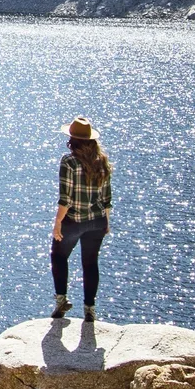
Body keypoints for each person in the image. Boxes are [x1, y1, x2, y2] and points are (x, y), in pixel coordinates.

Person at [51, 117, 112, 322]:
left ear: (72, 139)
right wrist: (107, 222)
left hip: (74, 220)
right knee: (90, 262)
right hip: (98, 221)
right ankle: (90, 309)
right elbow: (106, 197)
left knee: (59, 256)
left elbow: (65, 198)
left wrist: (58, 222)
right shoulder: (101, 161)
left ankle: (61, 301)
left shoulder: (69, 162)